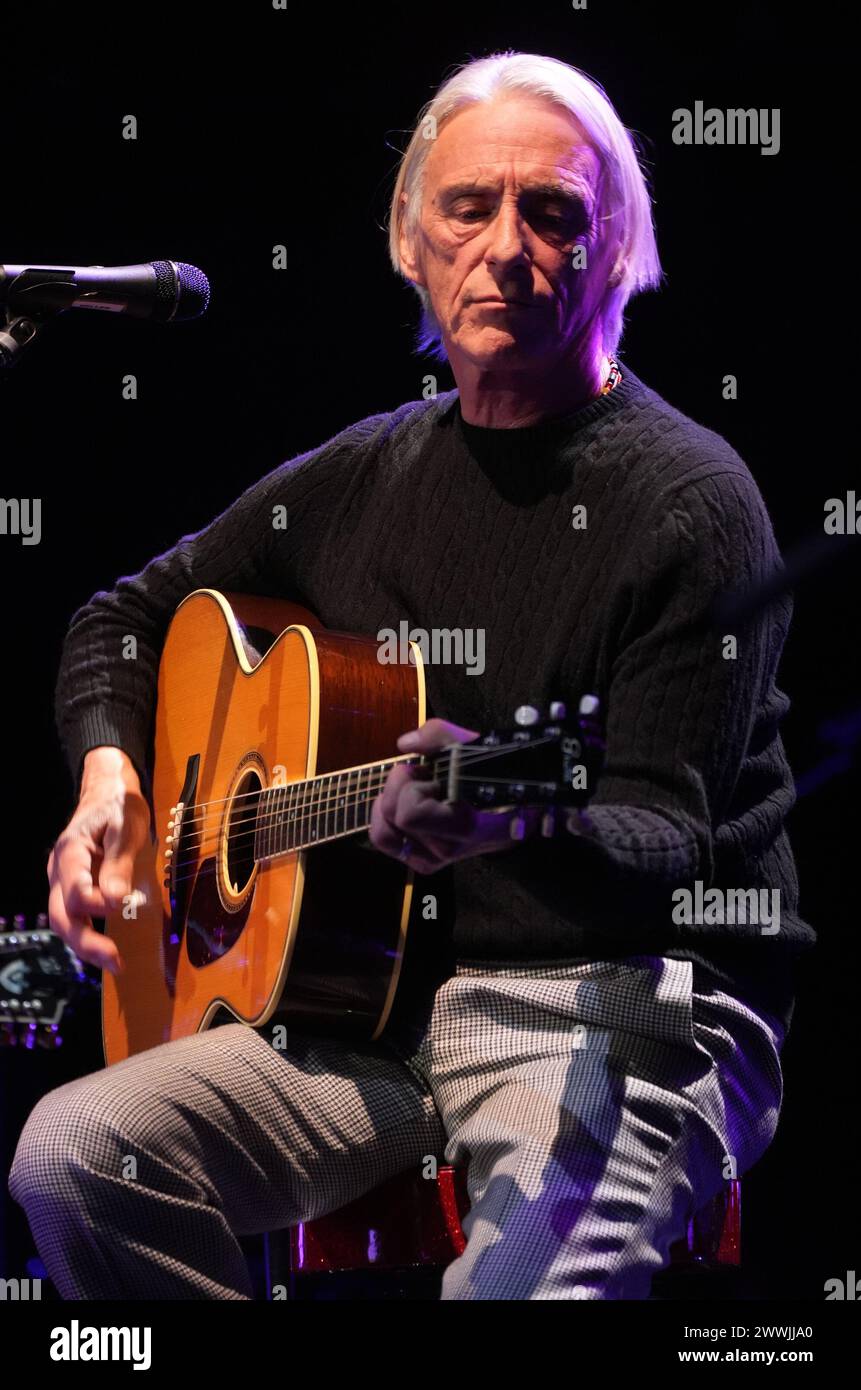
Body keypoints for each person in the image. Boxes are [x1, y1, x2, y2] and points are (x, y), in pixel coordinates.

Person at [8, 51, 815, 1300]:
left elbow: (668, 835)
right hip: (377, 1019)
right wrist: (107, 775)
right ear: (408, 241)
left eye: (551, 212)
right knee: (73, 1156)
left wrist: (514, 819)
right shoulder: (365, 474)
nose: (504, 246)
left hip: (623, 1003)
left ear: (614, 251)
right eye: (466, 206)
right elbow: (124, 616)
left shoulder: (688, 503)